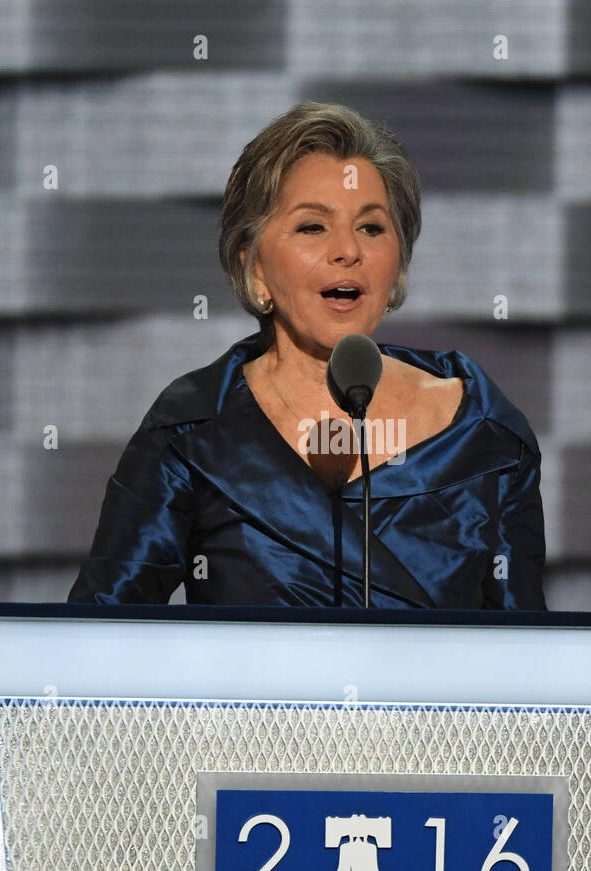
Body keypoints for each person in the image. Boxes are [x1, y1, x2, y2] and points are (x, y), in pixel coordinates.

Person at [68, 101, 545, 609]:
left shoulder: (485, 433)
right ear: (254, 269)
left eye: (372, 228)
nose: (347, 250)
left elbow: (522, 664)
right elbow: (100, 634)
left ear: (397, 267)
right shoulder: (193, 429)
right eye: (312, 227)